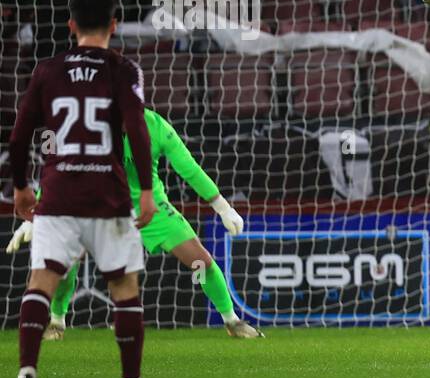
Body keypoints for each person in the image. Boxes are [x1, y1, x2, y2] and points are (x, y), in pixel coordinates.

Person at [7, 0, 160, 378]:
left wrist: (22, 187)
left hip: (57, 196)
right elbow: (137, 129)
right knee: (124, 287)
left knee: (40, 282)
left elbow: (20, 137)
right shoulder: (124, 69)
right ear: (114, 25)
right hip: (107, 196)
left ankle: (26, 377)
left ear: (71, 26)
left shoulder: (46, 70)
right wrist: (146, 189)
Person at [6, 106, 263, 339]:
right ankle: (57, 321)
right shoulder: (87, 126)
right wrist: (37, 216)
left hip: (148, 206)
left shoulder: (156, 126)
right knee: (63, 264)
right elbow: (60, 171)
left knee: (200, 262)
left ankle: (232, 321)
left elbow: (190, 169)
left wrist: (222, 207)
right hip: (95, 204)